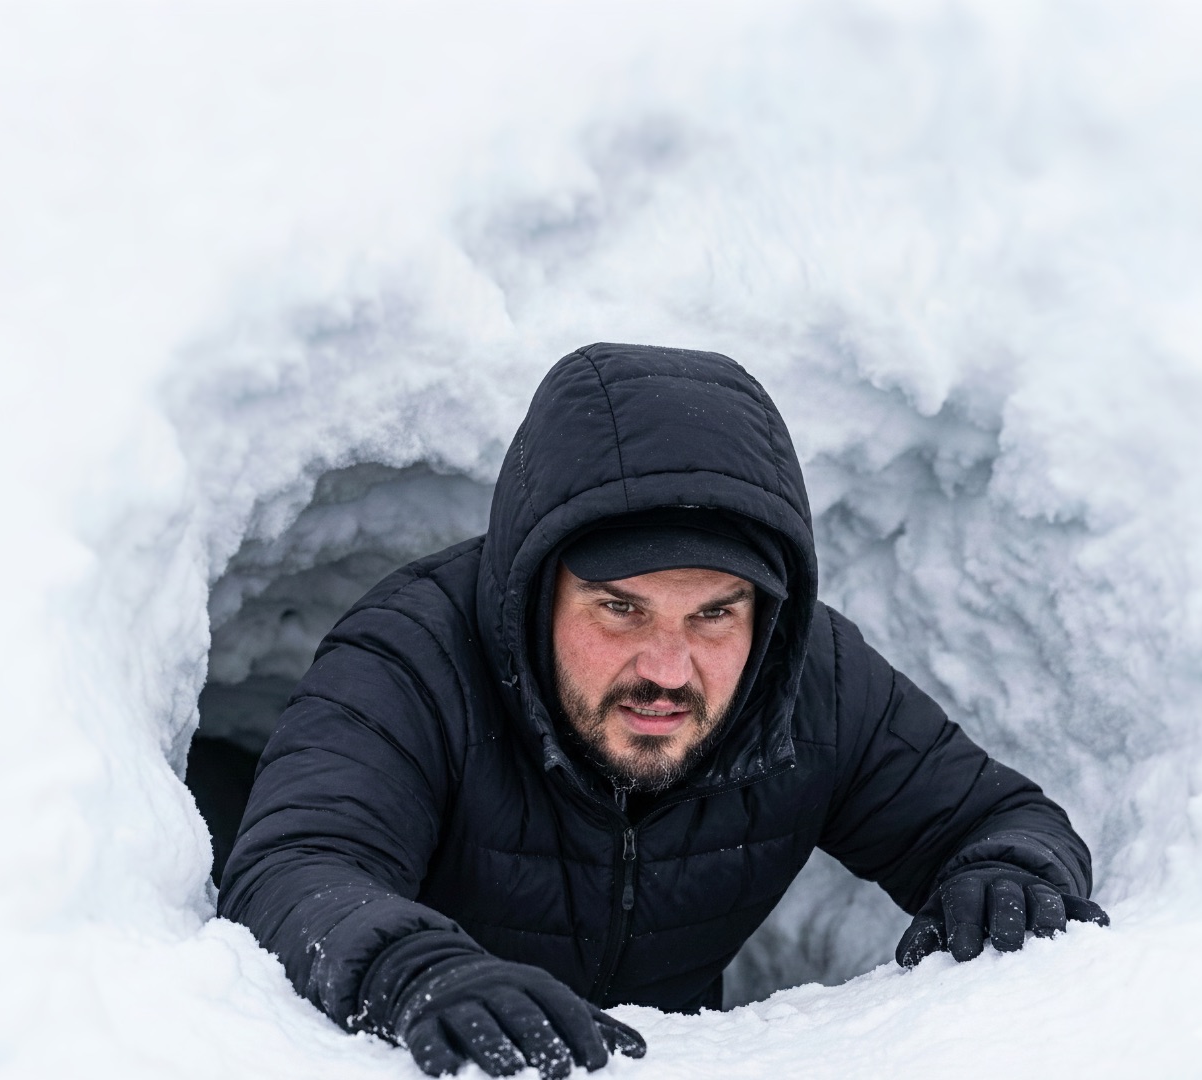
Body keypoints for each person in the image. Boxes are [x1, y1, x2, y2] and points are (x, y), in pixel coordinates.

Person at [218, 343, 1106, 1078]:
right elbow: (297, 865)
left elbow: (993, 818)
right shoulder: (413, 656)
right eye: (621, 608)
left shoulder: (807, 677)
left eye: (715, 612)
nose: (668, 669)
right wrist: (419, 972)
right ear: (537, 588)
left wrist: (1011, 873)